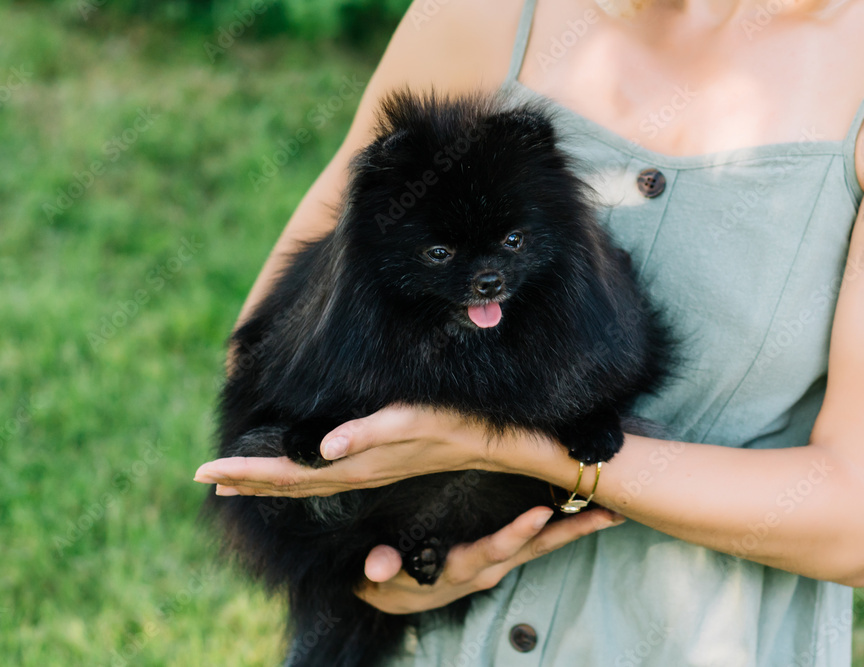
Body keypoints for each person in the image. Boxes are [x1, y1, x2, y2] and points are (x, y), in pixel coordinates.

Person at [195, 0, 864, 663]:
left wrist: (520, 451)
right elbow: (268, 347)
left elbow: (854, 529)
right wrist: (365, 564)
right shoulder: (480, 15)